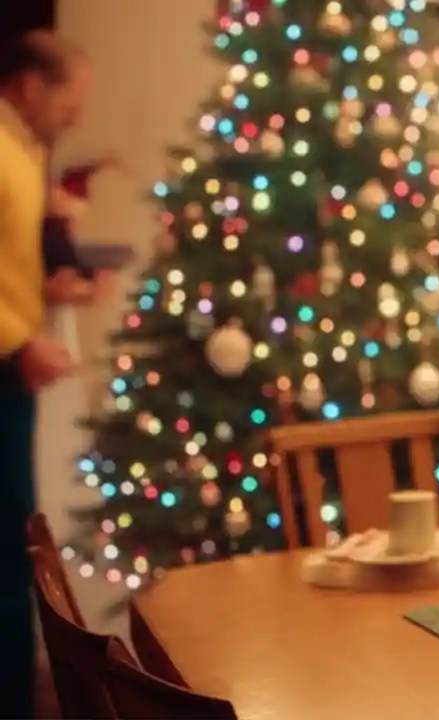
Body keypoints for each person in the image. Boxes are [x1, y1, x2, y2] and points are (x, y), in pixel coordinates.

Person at [0, 31, 83, 718]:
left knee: (14, 546)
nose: (74, 117)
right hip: (1, 377)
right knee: (10, 551)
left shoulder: (24, 156)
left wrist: (53, 291)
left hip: (11, 378)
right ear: (30, 87)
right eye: (68, 101)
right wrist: (15, 346)